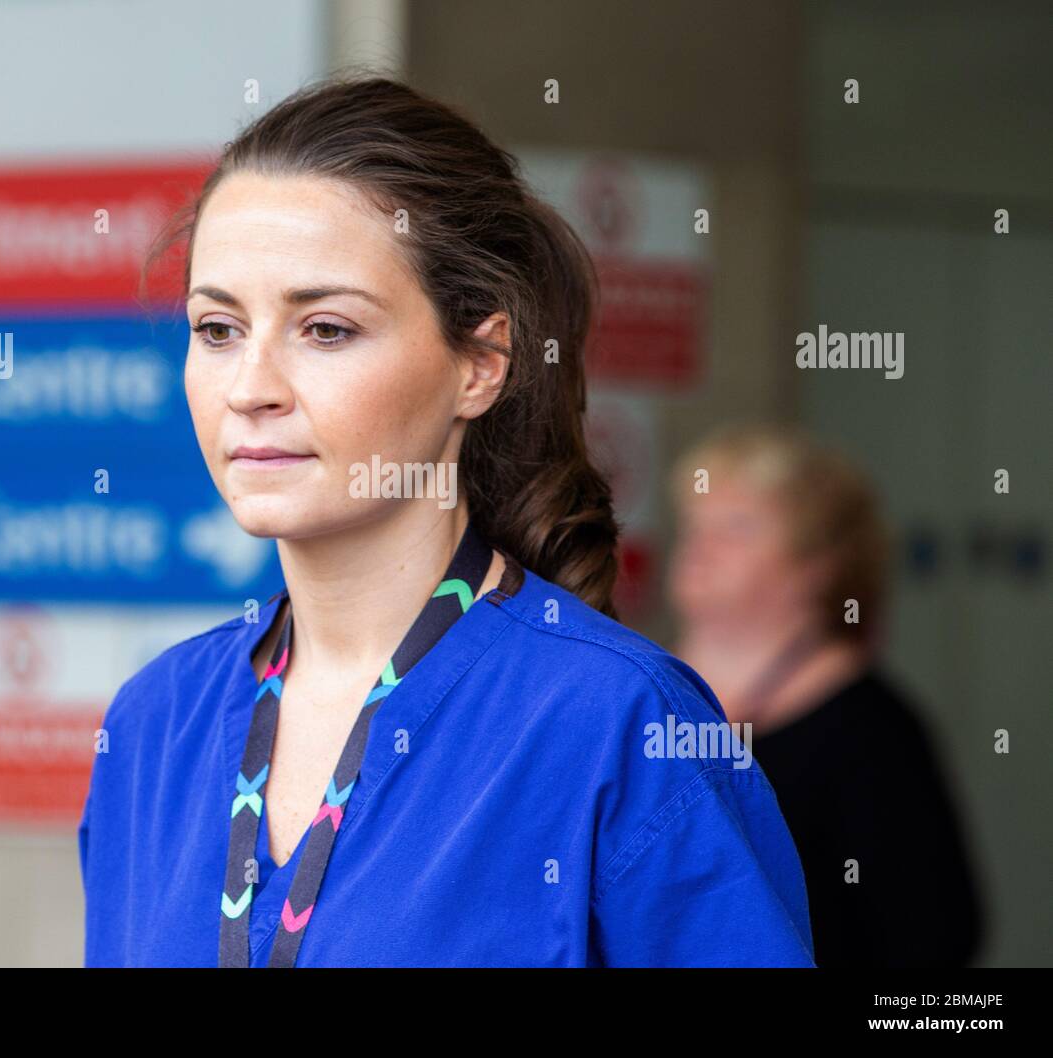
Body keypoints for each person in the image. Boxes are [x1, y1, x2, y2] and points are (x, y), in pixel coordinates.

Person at [78, 76, 814, 968]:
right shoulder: (155, 723)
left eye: (326, 330)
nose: (250, 389)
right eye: (218, 328)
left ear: (481, 364)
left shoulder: (617, 723)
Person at [667, 422, 986, 967]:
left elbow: (935, 939)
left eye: (737, 527)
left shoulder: (873, 732)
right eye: (695, 524)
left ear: (815, 566)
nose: (702, 547)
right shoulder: (639, 690)